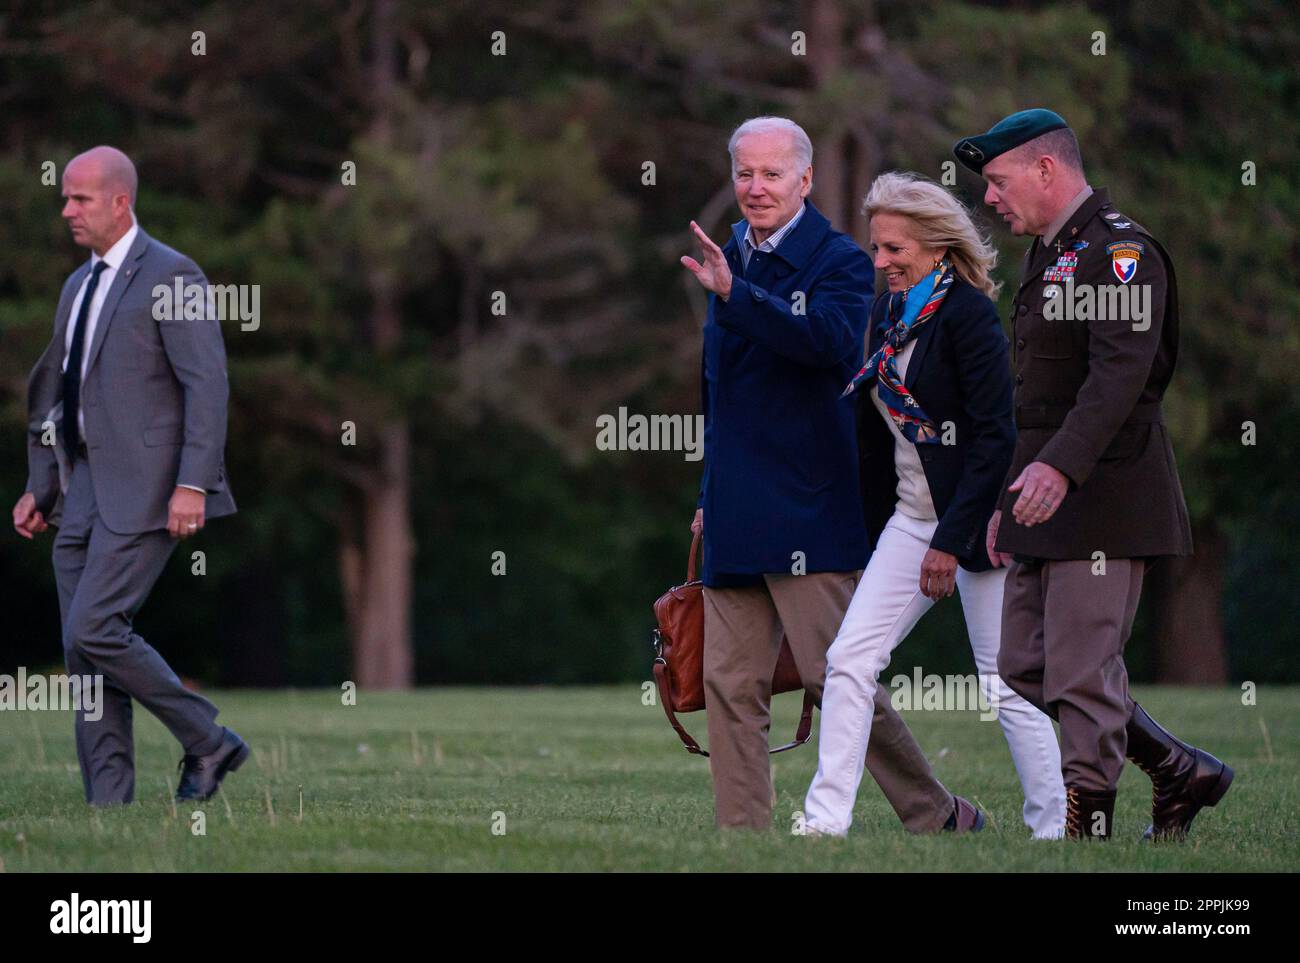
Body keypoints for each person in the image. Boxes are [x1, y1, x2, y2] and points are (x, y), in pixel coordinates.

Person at [681, 117, 982, 832]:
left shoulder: (844, 262)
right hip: (733, 508)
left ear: (805, 179)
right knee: (729, 685)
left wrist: (738, 297)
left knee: (835, 675)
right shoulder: (728, 254)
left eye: (772, 174)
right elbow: (717, 389)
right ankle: (745, 836)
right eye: (744, 174)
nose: (755, 188)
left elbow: (832, 345)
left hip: (810, 508)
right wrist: (704, 495)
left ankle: (934, 812)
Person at [952, 109, 1233, 839]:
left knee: (1079, 670)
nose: (988, 198)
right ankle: (1176, 767)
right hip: (1042, 496)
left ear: (1047, 169)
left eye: (998, 181)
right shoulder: (1049, 253)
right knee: (1022, 664)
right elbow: (1035, 398)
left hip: (1104, 497)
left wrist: (1056, 469)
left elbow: (1120, 379)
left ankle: (1091, 832)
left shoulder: (1121, 252)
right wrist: (1008, 497)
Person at [802, 172, 1067, 838]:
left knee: (1003, 679)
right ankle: (824, 821)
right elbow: (872, 436)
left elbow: (993, 438)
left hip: (975, 522)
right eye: (877, 249)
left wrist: (951, 541)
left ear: (935, 244)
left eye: (894, 249)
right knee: (848, 659)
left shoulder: (969, 316)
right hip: (910, 518)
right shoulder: (889, 313)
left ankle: (1054, 828)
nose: (882, 262)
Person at [12, 145, 248, 806]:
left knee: (93, 628)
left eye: (80, 199)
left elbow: (208, 386)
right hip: (80, 487)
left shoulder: (175, 274)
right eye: (65, 197)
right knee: (83, 653)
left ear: (121, 201)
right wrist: (42, 484)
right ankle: (108, 803)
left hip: (150, 487)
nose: (67, 211)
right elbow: (53, 394)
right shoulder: (77, 285)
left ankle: (207, 737)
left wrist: (193, 483)